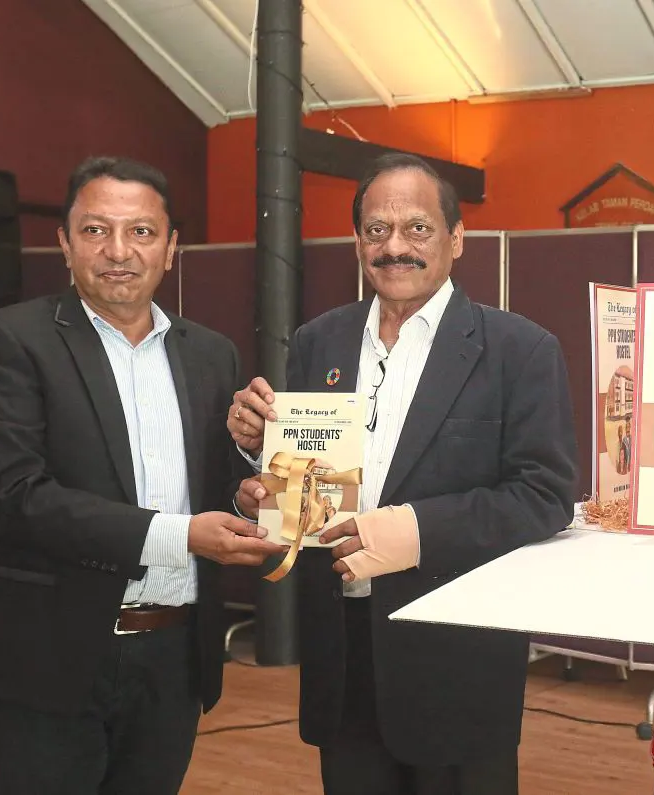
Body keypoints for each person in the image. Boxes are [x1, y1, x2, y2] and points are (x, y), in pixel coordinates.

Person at [228, 153, 578, 795]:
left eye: (417, 228)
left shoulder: (520, 350)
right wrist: (262, 470)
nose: (394, 247)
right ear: (358, 240)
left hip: (457, 659)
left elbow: (544, 496)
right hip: (341, 655)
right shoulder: (317, 342)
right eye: (376, 230)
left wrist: (411, 531)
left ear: (456, 238)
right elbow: (305, 471)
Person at [0, 156, 285, 795]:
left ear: (171, 248)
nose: (119, 251)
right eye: (96, 230)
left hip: (174, 657)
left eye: (142, 232)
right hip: (49, 652)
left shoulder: (212, 353)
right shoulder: (9, 340)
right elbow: (12, 497)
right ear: (65, 243)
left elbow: (207, 493)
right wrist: (181, 536)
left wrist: (249, 481)